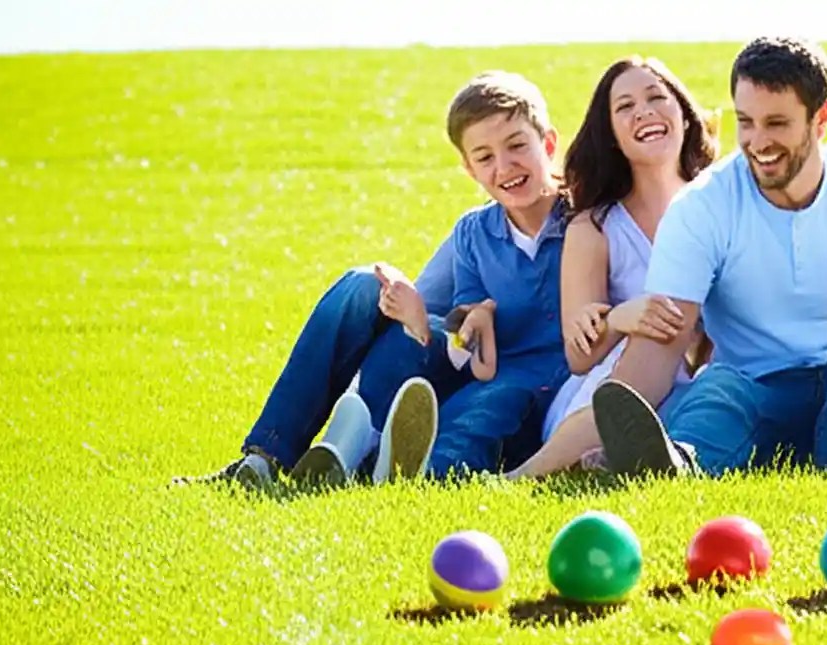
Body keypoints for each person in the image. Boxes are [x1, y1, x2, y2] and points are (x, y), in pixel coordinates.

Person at [585, 36, 827, 477]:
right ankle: (677, 463)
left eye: (777, 123)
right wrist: (607, 424)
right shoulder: (703, 206)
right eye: (746, 122)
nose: (758, 142)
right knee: (718, 391)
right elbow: (663, 341)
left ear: (821, 117)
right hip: (759, 390)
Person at [181, 70, 570, 490]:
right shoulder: (475, 232)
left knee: (466, 430)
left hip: (529, 385)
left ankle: (365, 456)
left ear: (548, 144)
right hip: (474, 366)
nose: (505, 166)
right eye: (485, 157)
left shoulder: (586, 221)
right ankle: (269, 460)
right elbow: (461, 327)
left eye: (517, 146)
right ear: (469, 168)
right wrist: (419, 318)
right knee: (366, 290)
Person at [505, 55, 827, 479]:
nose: (643, 111)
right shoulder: (596, 227)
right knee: (643, 405)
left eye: (655, 97)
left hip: (700, 382)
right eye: (624, 106)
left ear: (685, 116)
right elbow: (579, 355)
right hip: (625, 376)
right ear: (610, 135)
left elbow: (794, 173)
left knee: (717, 399)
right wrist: (621, 317)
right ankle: (543, 470)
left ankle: (630, 461)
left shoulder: (719, 199)